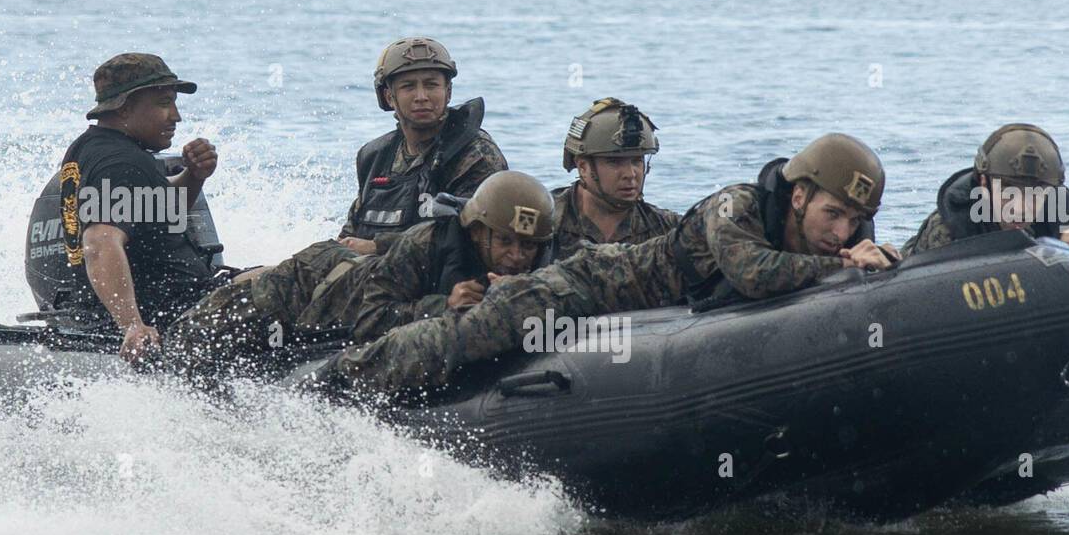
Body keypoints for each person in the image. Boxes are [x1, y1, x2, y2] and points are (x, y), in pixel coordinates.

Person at [302, 133, 897, 397]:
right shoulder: (735, 206)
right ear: (798, 196)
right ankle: (347, 377)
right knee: (480, 330)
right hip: (594, 286)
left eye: (853, 223)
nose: (843, 233)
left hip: (662, 318)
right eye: (834, 215)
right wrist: (840, 268)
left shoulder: (836, 242)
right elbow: (752, 275)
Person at [164, 171, 554, 375]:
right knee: (207, 328)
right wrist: (442, 305)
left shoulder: (536, 260)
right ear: (478, 231)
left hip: (349, 287)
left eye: (528, 246)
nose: (517, 256)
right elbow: (373, 316)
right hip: (320, 281)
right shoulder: (427, 244)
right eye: (505, 242)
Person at [54, 53, 226, 362]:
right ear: (125, 106)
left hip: (177, 303)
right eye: (164, 103)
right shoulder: (120, 163)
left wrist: (194, 176)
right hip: (181, 311)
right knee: (320, 269)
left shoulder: (94, 147)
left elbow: (154, 213)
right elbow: (99, 243)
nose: (176, 116)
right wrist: (132, 325)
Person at [900, 123, 1069, 282]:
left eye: (1035, 194)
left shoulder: (1063, 217)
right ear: (984, 183)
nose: (1020, 207)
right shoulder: (953, 223)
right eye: (1009, 191)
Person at [336, 37, 507, 256]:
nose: (421, 97)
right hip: (370, 275)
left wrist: (377, 247)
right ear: (389, 97)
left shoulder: (475, 154)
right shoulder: (375, 156)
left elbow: (471, 236)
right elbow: (351, 232)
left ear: (448, 92)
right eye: (408, 87)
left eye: (431, 85)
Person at [551, 98, 679, 260]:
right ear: (583, 167)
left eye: (637, 161)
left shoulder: (666, 229)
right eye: (614, 162)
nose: (630, 174)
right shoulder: (546, 221)